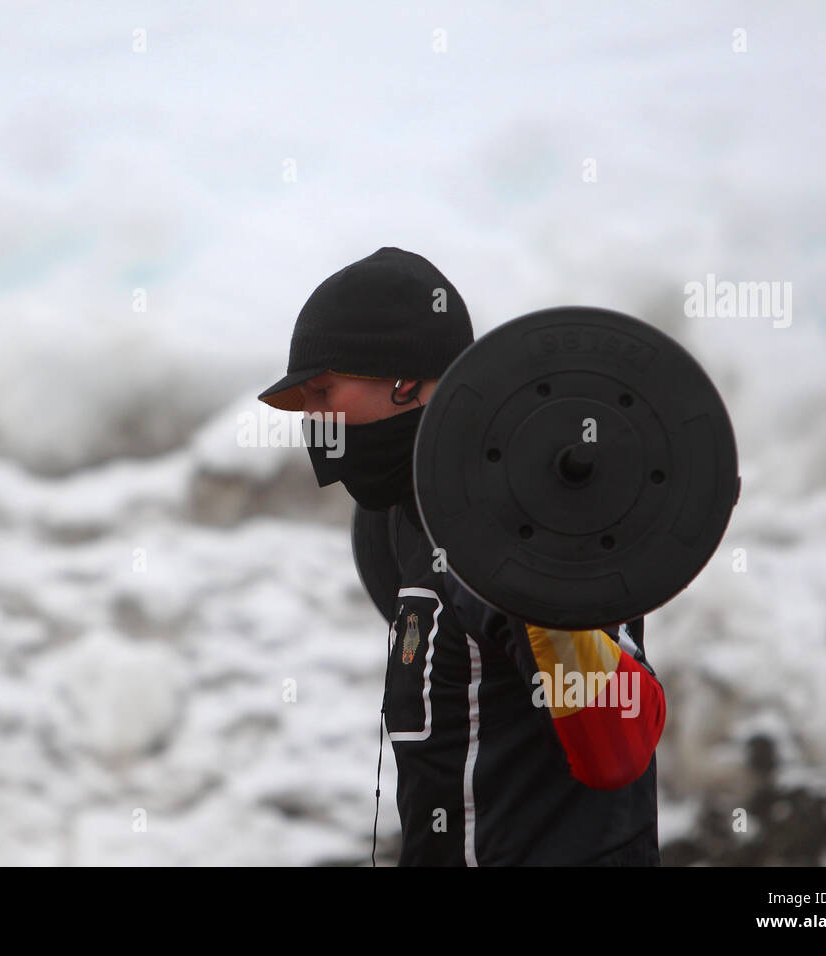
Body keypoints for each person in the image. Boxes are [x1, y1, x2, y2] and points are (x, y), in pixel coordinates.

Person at [257, 247, 666, 866]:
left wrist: (531, 578)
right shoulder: (404, 518)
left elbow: (618, 746)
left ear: (404, 381)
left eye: (322, 393)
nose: (313, 422)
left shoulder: (519, 524)